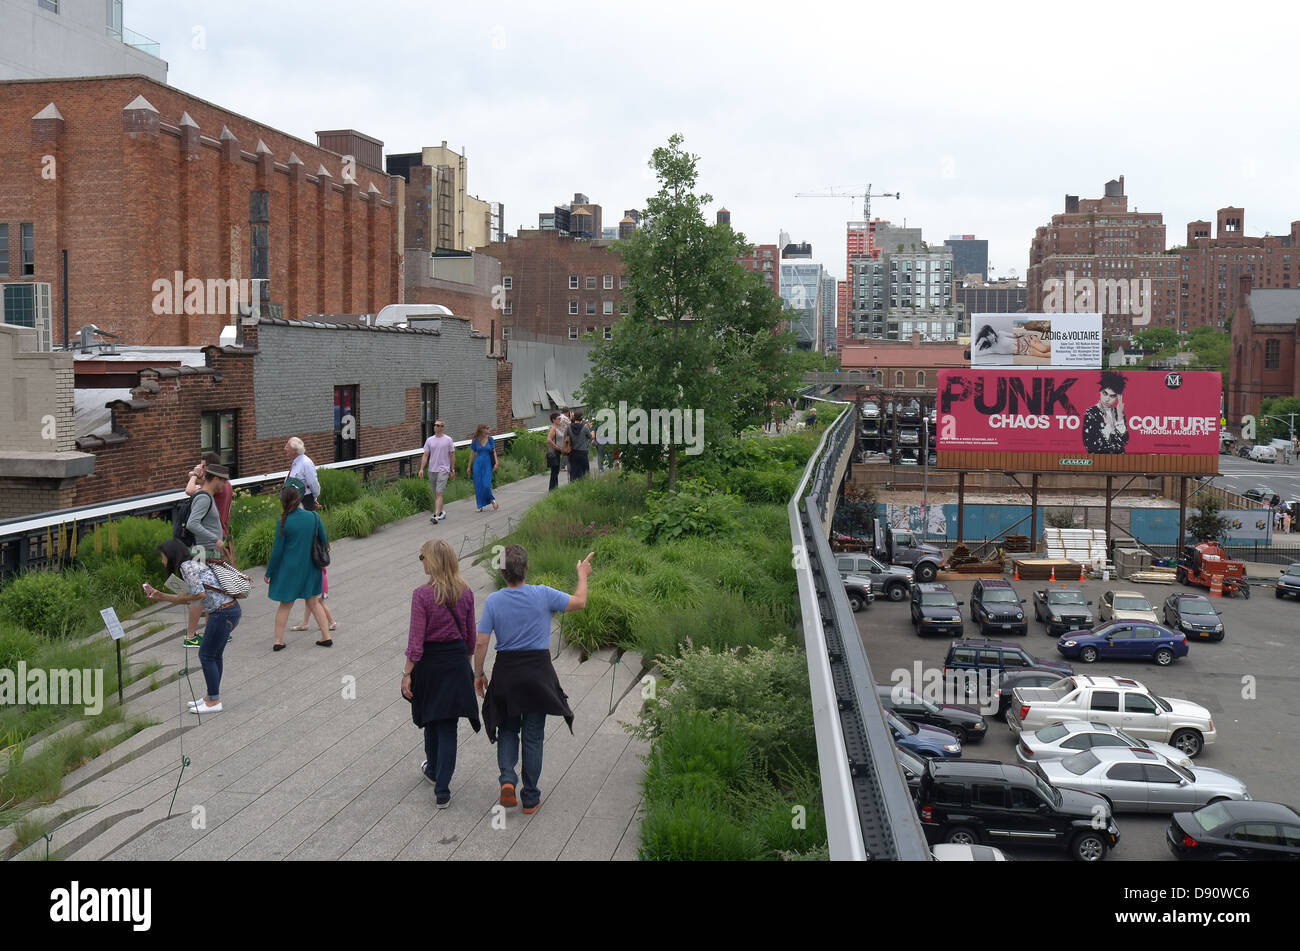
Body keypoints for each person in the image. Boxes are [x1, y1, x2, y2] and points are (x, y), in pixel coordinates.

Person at [474, 546, 592, 815]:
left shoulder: (494, 601)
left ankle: (507, 780)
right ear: (527, 568)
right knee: (533, 735)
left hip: (507, 674)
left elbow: (481, 641)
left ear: (501, 571)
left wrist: (478, 674)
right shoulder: (543, 594)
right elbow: (579, 602)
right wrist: (582, 574)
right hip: (538, 673)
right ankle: (530, 798)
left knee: (507, 728)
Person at [401, 539, 480, 808]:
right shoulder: (466, 592)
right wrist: (468, 668)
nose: (420, 561)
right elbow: (470, 637)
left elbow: (416, 642)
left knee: (432, 717)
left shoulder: (422, 595)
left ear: (432, 561)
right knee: (448, 725)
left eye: (422, 556)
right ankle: (442, 788)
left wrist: (406, 673)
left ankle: (434, 771)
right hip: (457, 662)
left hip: (430, 665)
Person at [145, 539, 241, 714]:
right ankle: (211, 696)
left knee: (206, 655)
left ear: (170, 555)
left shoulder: (186, 567)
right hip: (229, 610)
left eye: (162, 556)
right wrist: (161, 596)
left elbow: (199, 595)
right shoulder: (193, 563)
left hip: (222, 613)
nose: (162, 560)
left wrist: (178, 597)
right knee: (214, 655)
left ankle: (214, 700)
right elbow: (193, 596)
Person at [265, 485, 333, 650]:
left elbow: (277, 552)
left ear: (283, 501)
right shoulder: (314, 517)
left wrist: (269, 573)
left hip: (289, 571)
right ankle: (326, 636)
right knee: (314, 602)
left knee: (285, 605)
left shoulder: (283, 522)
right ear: (299, 499)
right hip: (310, 568)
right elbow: (324, 541)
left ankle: (278, 641)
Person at [181, 463, 231, 647]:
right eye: (223, 481)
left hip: (206, 551)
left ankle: (213, 631)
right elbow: (193, 524)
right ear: (216, 479)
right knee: (199, 595)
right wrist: (215, 539)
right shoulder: (204, 498)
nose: (224, 485)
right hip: (202, 551)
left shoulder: (206, 495)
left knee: (209, 593)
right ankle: (191, 636)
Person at [186, 452, 232, 545]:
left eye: (203, 466)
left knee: (209, 559)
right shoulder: (227, 484)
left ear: (210, 468)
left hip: (211, 538)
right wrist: (194, 474)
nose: (200, 468)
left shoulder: (212, 489)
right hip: (221, 532)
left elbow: (189, 491)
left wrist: (195, 474)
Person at [1081, 370, 1129, 454]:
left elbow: (1123, 442)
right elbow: (1091, 445)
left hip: (1119, 461)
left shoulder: (1119, 414)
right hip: (1098, 460)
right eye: (1105, 393)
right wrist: (1108, 427)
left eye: (1112, 396)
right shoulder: (1091, 413)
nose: (1107, 399)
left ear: (1118, 397)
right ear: (1100, 392)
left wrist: (1120, 417)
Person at [417, 420, 455, 524]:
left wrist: (452, 470)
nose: (436, 427)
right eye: (435, 425)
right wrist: (421, 469)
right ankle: (441, 512)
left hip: (443, 469)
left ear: (442, 427)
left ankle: (436, 515)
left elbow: (451, 455)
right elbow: (425, 455)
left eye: (438, 425)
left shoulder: (448, 440)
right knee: (436, 494)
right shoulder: (429, 440)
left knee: (439, 492)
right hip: (432, 469)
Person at [284, 437, 321, 511]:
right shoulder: (296, 462)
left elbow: (313, 483)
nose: (285, 448)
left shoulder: (306, 463)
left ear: (294, 450)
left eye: (287, 447)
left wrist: (312, 498)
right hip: (293, 502)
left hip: (304, 502)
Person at [467, 424, 498, 512]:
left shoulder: (490, 439)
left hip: (487, 464)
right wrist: (469, 466)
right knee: (478, 485)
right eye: (486, 428)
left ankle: (492, 500)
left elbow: (494, 451)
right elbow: (472, 453)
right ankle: (479, 505)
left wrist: (496, 463)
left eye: (488, 428)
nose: (488, 429)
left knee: (486, 484)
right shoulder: (475, 440)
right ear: (481, 430)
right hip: (477, 464)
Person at [568, 410, 591, 481]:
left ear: (574, 417)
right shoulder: (585, 427)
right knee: (585, 471)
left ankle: (573, 486)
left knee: (574, 472)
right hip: (583, 452)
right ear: (582, 418)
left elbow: (566, 438)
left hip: (573, 452)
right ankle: (585, 485)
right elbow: (589, 437)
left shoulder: (569, 427)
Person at [546, 412, 564, 491]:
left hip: (558, 451)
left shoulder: (557, 427)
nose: (560, 420)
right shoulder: (553, 428)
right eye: (558, 419)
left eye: (560, 418)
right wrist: (557, 447)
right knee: (554, 471)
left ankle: (555, 487)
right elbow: (549, 440)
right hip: (554, 452)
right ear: (553, 420)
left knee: (556, 471)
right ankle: (552, 489)